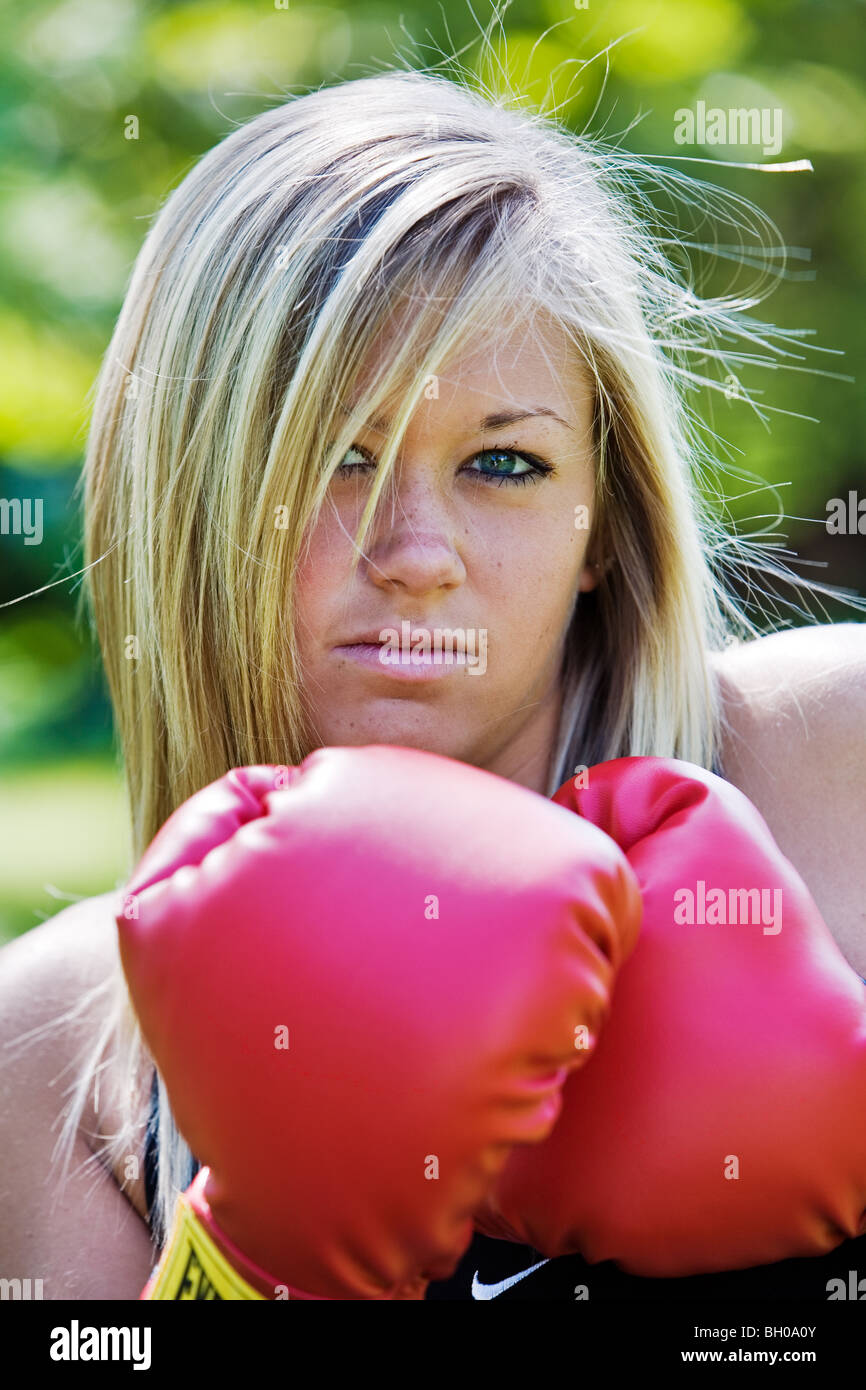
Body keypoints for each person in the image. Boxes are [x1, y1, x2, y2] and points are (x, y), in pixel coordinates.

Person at [0, 66, 864, 1302]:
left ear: (602, 523)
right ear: (188, 503)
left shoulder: (833, 764)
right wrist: (250, 1272)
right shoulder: (54, 1057)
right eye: (336, 458)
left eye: (503, 462)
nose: (413, 553)